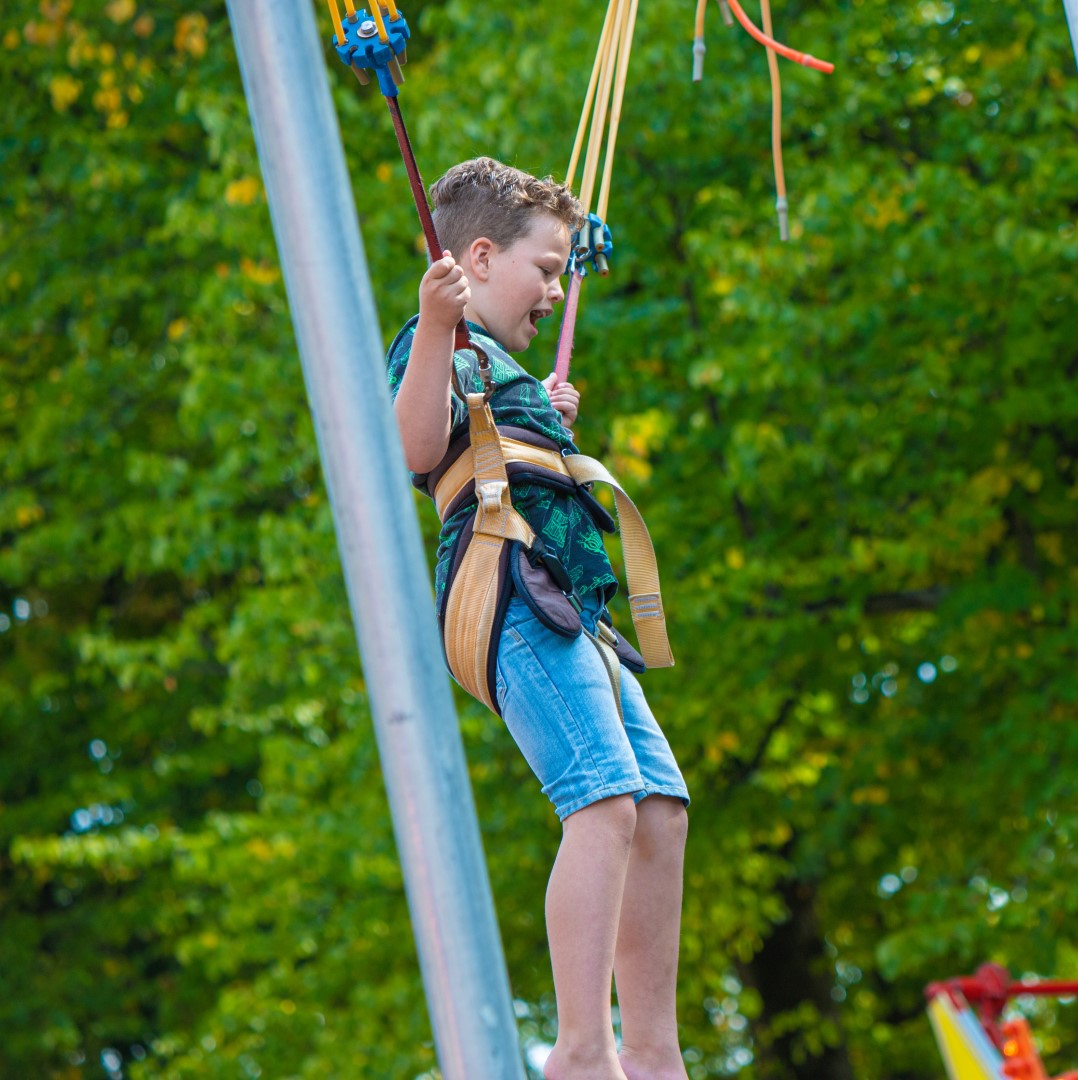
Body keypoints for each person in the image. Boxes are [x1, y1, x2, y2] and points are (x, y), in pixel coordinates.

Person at [386, 156, 690, 1080]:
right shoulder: (433, 335)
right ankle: (581, 1052)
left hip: (565, 600)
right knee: (600, 798)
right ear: (476, 257)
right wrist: (439, 326)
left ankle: (653, 1049)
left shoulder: (497, 364)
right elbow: (414, 445)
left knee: (661, 806)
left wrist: (538, 412)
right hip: (509, 583)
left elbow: (487, 423)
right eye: (546, 269)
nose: (557, 291)